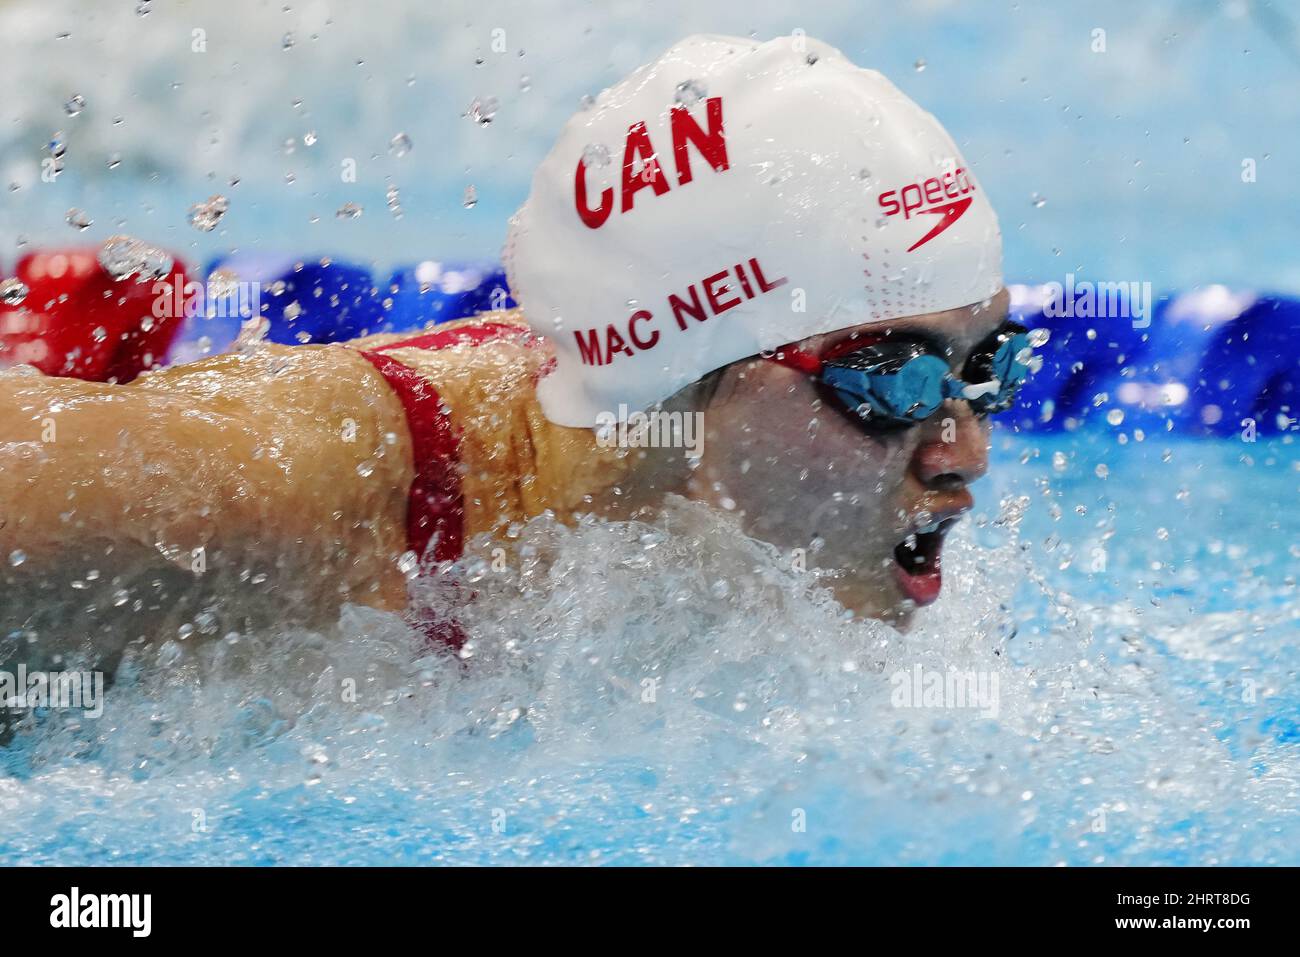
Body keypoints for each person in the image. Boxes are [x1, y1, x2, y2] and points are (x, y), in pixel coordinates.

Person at [0, 34, 1034, 671]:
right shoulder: (261, 496)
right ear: (682, 374)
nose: (965, 451)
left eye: (984, 369)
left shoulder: (723, 546)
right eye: (890, 379)